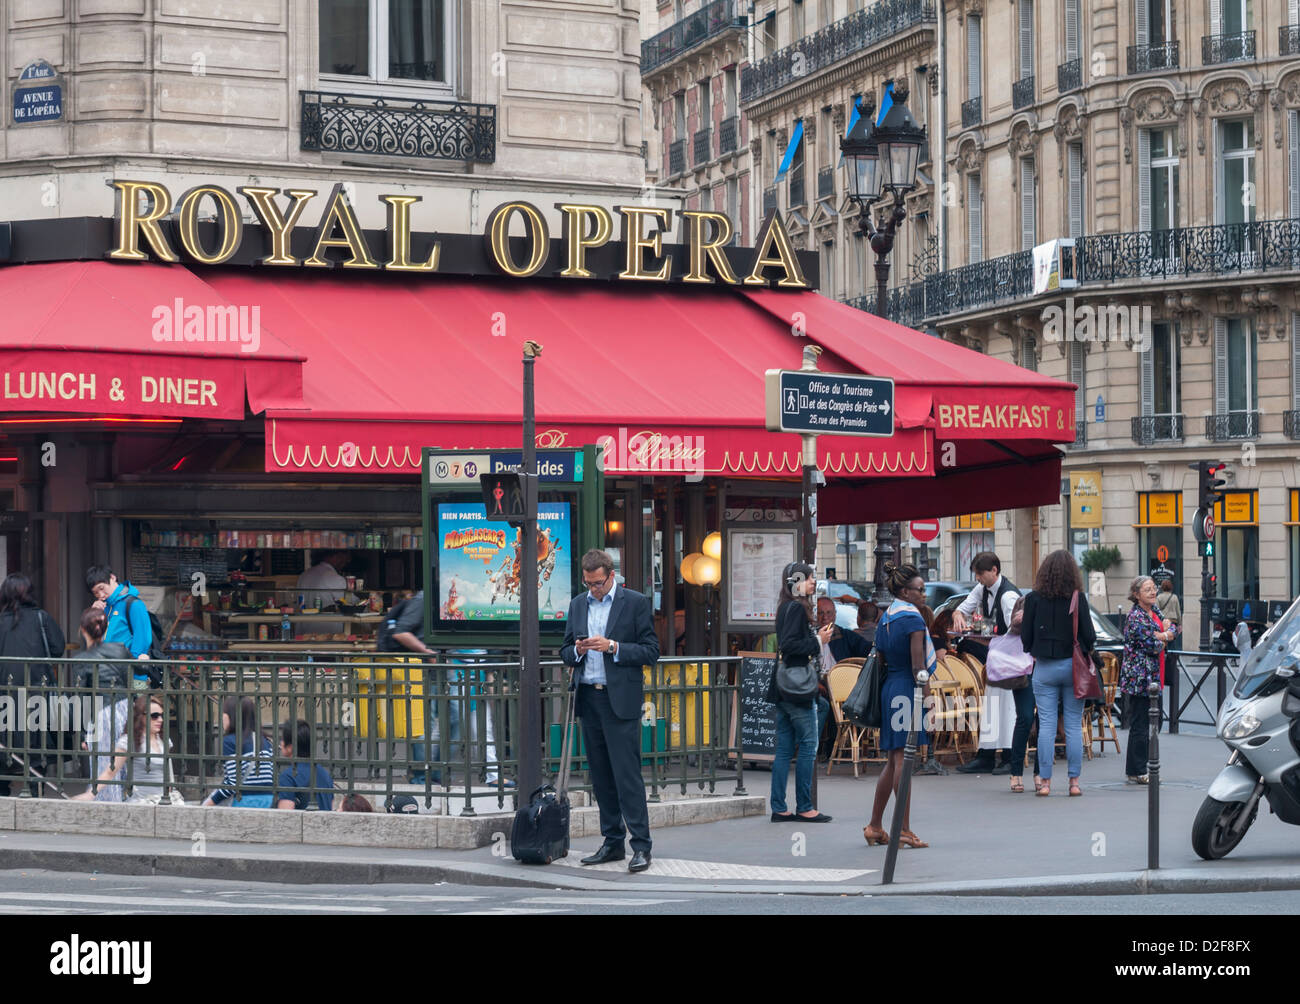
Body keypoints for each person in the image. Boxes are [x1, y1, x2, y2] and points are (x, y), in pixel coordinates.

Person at [560, 549, 662, 873]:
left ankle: (641, 846)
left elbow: (651, 651)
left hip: (620, 700)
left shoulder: (634, 602)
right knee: (601, 777)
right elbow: (564, 650)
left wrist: (613, 647)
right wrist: (576, 649)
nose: (594, 590)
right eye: (589, 584)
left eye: (598, 584)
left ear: (611, 575)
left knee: (627, 776)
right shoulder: (578, 604)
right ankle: (612, 842)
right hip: (589, 698)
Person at [383, 592, 507, 787]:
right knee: (426, 725)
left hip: (445, 670)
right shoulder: (424, 599)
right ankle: (421, 775)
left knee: (456, 721)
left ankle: (438, 770)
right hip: (423, 672)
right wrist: (428, 652)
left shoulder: (451, 598)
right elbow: (401, 632)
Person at [863, 563, 933, 849]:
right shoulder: (913, 620)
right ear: (905, 591)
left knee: (893, 761)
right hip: (907, 689)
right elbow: (919, 667)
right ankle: (903, 829)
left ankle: (875, 826)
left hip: (889, 688)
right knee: (904, 761)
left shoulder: (886, 618)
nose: (923, 595)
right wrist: (928, 697)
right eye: (919, 590)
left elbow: (880, 660)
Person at [1020, 550, 1095, 797]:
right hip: (1072, 668)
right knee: (1073, 726)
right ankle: (1074, 783)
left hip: (1044, 667)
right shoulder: (1077, 598)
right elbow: (1090, 636)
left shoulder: (1033, 599)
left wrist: (1035, 649)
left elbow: (1026, 637)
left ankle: (1045, 783)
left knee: (1047, 727)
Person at [767, 565, 834, 825]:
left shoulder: (786, 606)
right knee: (808, 746)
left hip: (783, 686)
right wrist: (819, 641)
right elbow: (791, 645)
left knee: (784, 750)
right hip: (797, 685)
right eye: (809, 578)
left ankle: (779, 807)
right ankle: (805, 806)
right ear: (798, 581)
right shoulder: (796, 608)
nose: (813, 581)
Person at [951, 552, 1022, 774]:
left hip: (1011, 659)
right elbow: (962, 607)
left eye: (981, 574)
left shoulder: (1008, 595)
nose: (978, 578)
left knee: (1008, 707)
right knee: (993, 706)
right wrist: (957, 615)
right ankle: (987, 754)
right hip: (998, 656)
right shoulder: (982, 589)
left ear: (994, 570)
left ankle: (1010, 756)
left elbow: (1016, 629)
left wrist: (990, 638)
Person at [0, 572, 66, 797]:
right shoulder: (42, 618)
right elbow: (58, 648)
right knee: (37, 753)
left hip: (4, 697)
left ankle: (3, 797)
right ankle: (35, 796)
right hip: (37, 695)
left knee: (4, 749)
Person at [1121, 576, 1175, 784]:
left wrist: (1162, 634)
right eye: (1147, 590)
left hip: (1155, 675)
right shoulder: (1136, 617)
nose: (1153, 592)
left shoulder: (1154, 612)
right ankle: (1138, 769)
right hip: (1140, 678)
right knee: (1142, 724)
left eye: (1154, 589)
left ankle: (1137, 767)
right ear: (1136, 594)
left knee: (1155, 722)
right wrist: (1163, 636)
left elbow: (1173, 630)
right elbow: (1151, 646)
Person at [71, 608, 134, 784]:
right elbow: (133, 677)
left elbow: (81, 700)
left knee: (104, 766)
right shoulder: (121, 649)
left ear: (82, 630)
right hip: (125, 709)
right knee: (125, 765)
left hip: (102, 715)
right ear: (106, 629)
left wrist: (84, 735)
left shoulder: (81, 660)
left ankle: (105, 803)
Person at [73, 695, 171, 803]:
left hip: (165, 800)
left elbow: (168, 775)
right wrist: (90, 794)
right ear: (141, 717)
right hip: (143, 802)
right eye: (154, 716)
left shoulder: (164, 740)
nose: (160, 720)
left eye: (162, 715)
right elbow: (110, 772)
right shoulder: (129, 741)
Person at [202, 695, 276, 808]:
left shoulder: (229, 741)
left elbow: (233, 782)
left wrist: (210, 802)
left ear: (232, 716)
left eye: (223, 713)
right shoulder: (263, 739)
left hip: (245, 800)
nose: (221, 718)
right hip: (268, 799)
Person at [998, 595, 1038, 793]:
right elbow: (1012, 635)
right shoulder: (1025, 600)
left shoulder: (1058, 601)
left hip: (1045, 666)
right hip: (1022, 668)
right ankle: (1016, 772)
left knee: (1045, 721)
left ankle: (1040, 773)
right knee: (1025, 717)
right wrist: (1017, 622)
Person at [85, 566, 152, 659]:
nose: (101, 595)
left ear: (112, 578)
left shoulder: (134, 604)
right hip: (107, 668)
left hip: (127, 669)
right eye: (96, 593)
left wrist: (132, 666)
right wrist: (93, 615)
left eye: (102, 588)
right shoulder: (104, 608)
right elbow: (92, 639)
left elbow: (142, 640)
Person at [274, 719, 334, 810]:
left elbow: (285, 815)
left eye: (282, 739)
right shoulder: (325, 774)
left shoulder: (288, 777)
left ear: (290, 747)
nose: (280, 743)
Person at [296, 549, 350, 633]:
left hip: (305, 635)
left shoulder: (304, 575)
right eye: (342, 557)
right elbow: (351, 605)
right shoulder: (334, 578)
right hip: (328, 636)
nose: (345, 561)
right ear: (334, 556)